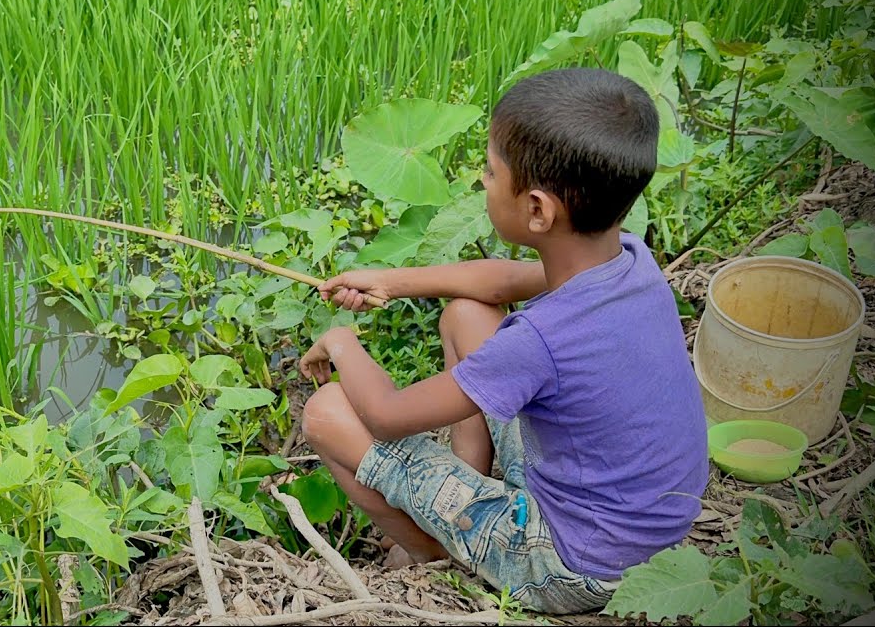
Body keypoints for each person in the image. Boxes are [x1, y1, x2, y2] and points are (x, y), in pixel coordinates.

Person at [298, 67, 709, 614]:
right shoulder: (632, 260)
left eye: (491, 173)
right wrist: (391, 283)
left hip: (573, 566)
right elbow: (498, 281)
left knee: (327, 412)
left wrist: (342, 341)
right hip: (637, 528)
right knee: (466, 315)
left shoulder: (540, 341)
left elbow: (388, 416)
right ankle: (470, 478)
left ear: (538, 209)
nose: (482, 180)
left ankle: (437, 558)